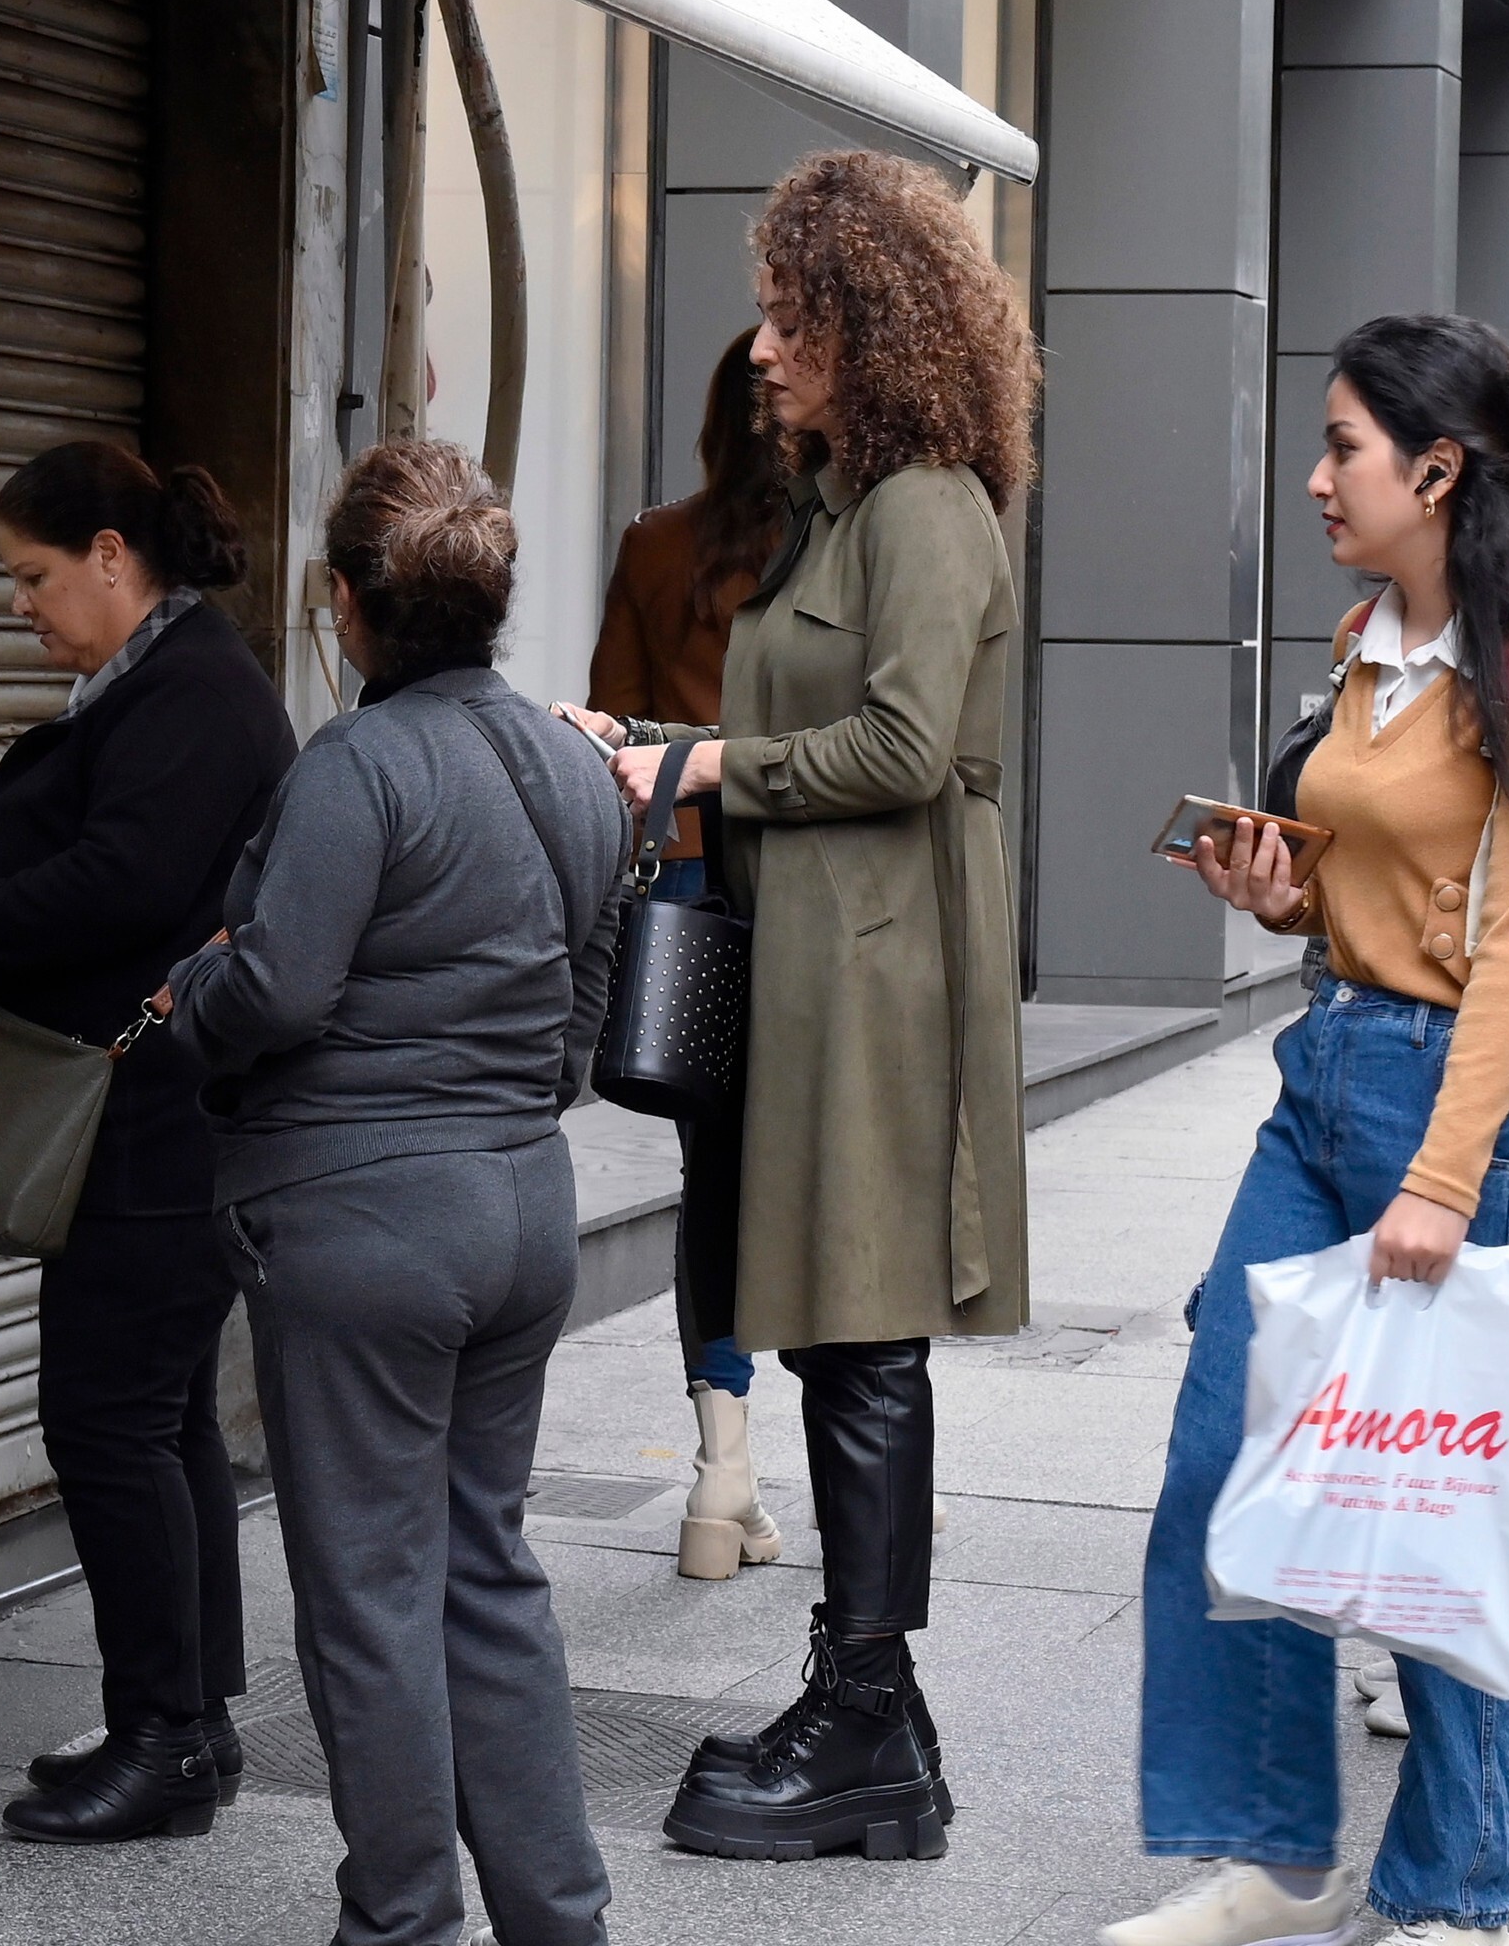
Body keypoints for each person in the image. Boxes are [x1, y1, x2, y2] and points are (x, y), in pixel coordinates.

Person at [1111, 315, 1509, 1946]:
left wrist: (1439, 1181)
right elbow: (1390, 890)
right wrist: (1288, 896)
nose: (1320, 473)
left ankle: (1451, 1895)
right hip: (1332, 1072)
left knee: (1459, 1513)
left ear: (1438, 467)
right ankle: (1275, 1853)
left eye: (1346, 445)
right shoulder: (1372, 641)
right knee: (1227, 1457)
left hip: (1497, 1110)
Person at [581, 147, 1032, 1862]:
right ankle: (870, 1716)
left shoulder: (924, 507)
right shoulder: (847, 499)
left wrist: (691, 758)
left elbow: (911, 748)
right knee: (844, 1336)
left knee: (862, 1337)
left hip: (879, 967)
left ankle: (864, 1716)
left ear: (876, 326)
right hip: (820, 953)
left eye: (795, 318)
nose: (764, 350)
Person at [160, 439, 623, 1946]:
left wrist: (190, 1008)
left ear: (348, 605)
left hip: (363, 1219)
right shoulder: (572, 761)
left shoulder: (354, 768)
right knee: (486, 1572)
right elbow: (586, 993)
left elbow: (281, 989)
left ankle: (403, 1923)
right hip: (520, 1208)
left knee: (367, 1595)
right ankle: (560, 1918)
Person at [0, 441, 296, 1843]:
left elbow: (129, 882)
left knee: (107, 1419)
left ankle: (167, 1735)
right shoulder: (171, 684)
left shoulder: (194, 696)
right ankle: (184, 1724)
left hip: (159, 1119)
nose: (22, 606)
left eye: (34, 576)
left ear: (115, 554)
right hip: (152, 1106)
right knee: (160, 1419)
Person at [584, 328, 791, 1582]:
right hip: (815, 882)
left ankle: (721, 1476)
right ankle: (866, 1450)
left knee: (712, 1175)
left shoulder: (658, 544)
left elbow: (611, 730)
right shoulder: (835, 552)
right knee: (824, 1167)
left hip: (695, 892)